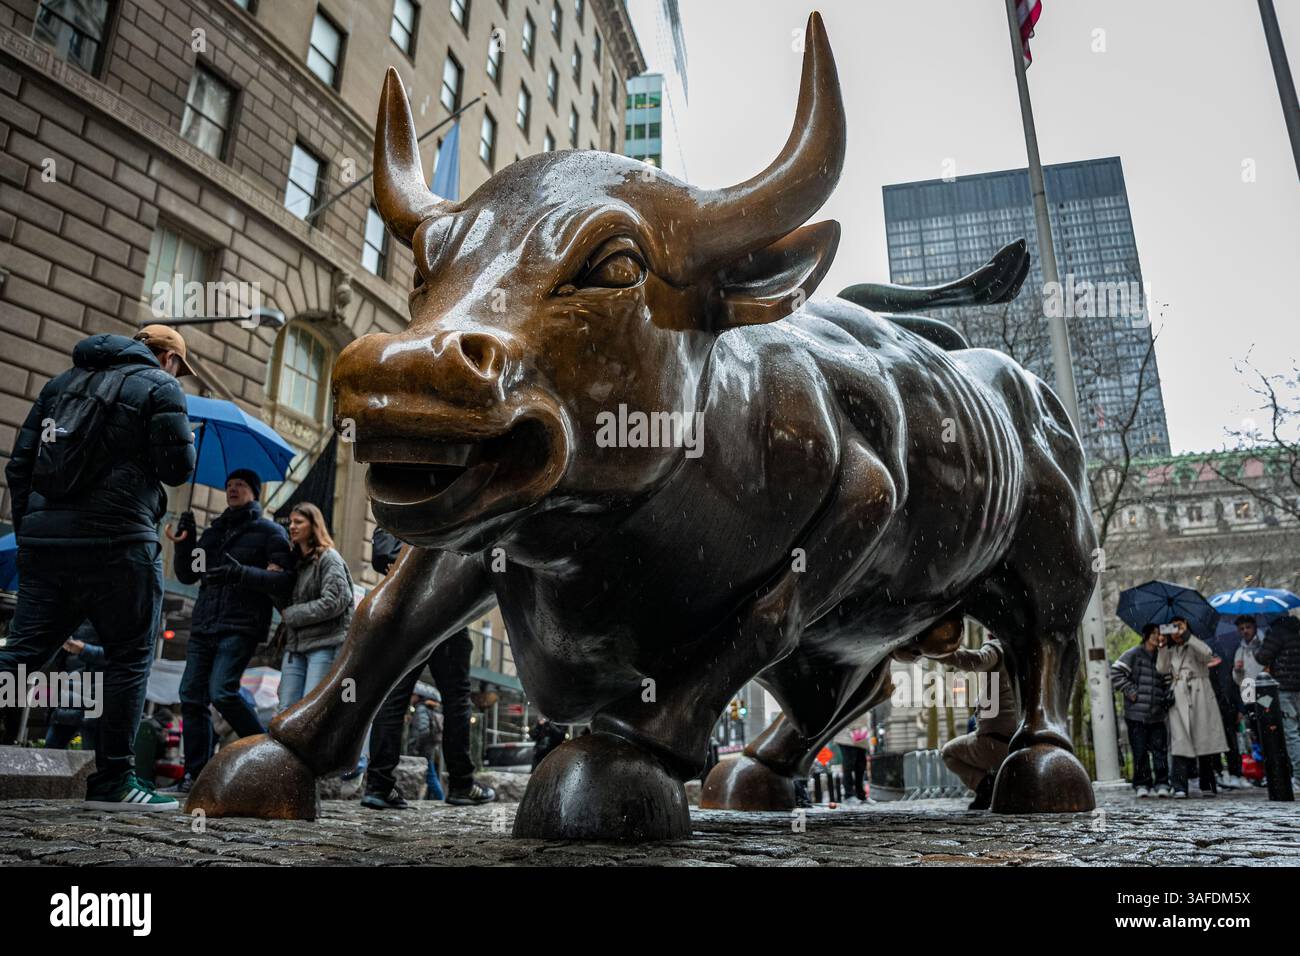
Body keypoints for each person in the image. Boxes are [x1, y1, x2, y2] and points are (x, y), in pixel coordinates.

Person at [2, 327, 196, 810]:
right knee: (128, 658)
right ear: (169, 358)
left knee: (20, 656)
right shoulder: (160, 386)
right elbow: (176, 468)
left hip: (48, 548)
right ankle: (113, 783)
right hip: (119, 544)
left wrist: (31, 533)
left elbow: (19, 465)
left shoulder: (61, 383)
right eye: (178, 365)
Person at [170, 468, 292, 791]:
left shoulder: (270, 532)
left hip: (241, 624)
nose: (233, 489)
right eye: (229, 485)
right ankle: (195, 775)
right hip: (204, 623)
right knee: (191, 696)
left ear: (254, 492)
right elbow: (186, 575)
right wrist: (186, 541)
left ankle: (267, 753)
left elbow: (283, 580)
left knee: (222, 690)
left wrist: (242, 574)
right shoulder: (213, 533)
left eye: (240, 485)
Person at [361, 528, 496, 809]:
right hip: (445, 610)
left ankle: (378, 784)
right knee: (456, 699)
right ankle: (461, 783)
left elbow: (382, 553)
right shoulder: (448, 499)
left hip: (407, 610)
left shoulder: (402, 502)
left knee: (394, 697)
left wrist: (402, 565)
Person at [273, 503, 354, 712]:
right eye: (291, 522)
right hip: (296, 647)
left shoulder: (329, 558)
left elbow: (334, 601)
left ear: (314, 525)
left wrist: (292, 615)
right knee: (285, 711)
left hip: (325, 645)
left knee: (311, 712)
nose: (292, 526)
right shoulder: (296, 564)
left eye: (298, 522)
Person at [936, 635, 1016, 810]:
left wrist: (937, 653)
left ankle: (986, 787)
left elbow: (977, 660)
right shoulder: (1019, 650)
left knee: (948, 752)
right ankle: (995, 784)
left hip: (995, 741)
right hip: (1017, 740)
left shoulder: (997, 647)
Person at [1157, 617, 1228, 797]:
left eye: (1179, 626)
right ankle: (1180, 786)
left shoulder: (1195, 644)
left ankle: (1207, 784)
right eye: (1173, 626)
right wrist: (1162, 646)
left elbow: (1207, 654)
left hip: (1200, 693)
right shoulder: (1171, 649)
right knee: (1179, 741)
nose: (1177, 631)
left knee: (1204, 739)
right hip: (1179, 695)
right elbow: (1162, 668)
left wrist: (1187, 636)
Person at [1110, 624, 1173, 797]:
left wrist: (1166, 697)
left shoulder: (1163, 655)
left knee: (1160, 751)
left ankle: (1162, 783)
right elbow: (1115, 673)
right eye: (1153, 633)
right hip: (1136, 713)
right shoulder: (1133, 654)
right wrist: (1131, 691)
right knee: (1139, 752)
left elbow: (1168, 679)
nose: (1156, 636)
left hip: (1158, 713)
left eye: (1159, 633)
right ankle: (1142, 784)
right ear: (1146, 635)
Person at [42, 622, 106, 751]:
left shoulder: (115, 615)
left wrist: (84, 649)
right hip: (70, 694)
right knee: (50, 753)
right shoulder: (75, 612)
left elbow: (123, 656)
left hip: (97, 695)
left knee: (93, 759)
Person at [1255, 613, 1300, 790]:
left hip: (1284, 687)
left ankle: (1298, 776)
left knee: (1291, 733)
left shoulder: (1277, 633)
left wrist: (1264, 642)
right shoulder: (1296, 630)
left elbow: (1262, 657)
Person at [406, 690, 445, 800]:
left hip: (422, 750)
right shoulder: (428, 709)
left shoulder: (421, 709)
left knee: (430, 776)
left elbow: (422, 730)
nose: (411, 698)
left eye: (412, 695)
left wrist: (414, 747)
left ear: (418, 696)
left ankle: (441, 798)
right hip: (428, 748)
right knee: (430, 775)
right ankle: (440, 798)